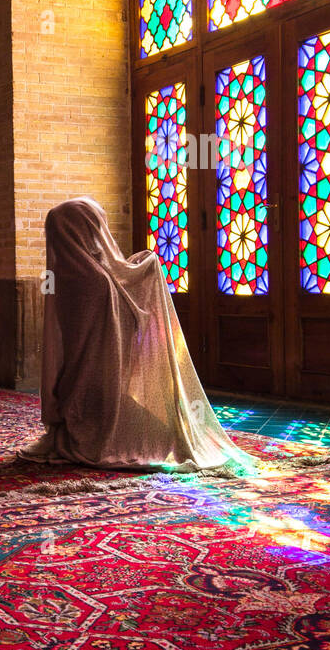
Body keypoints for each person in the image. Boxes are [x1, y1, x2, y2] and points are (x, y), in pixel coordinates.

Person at [17, 197, 252, 476]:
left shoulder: (61, 272)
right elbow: (130, 306)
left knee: (140, 426)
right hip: (103, 377)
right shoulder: (96, 277)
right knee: (152, 433)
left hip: (75, 381)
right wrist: (146, 267)